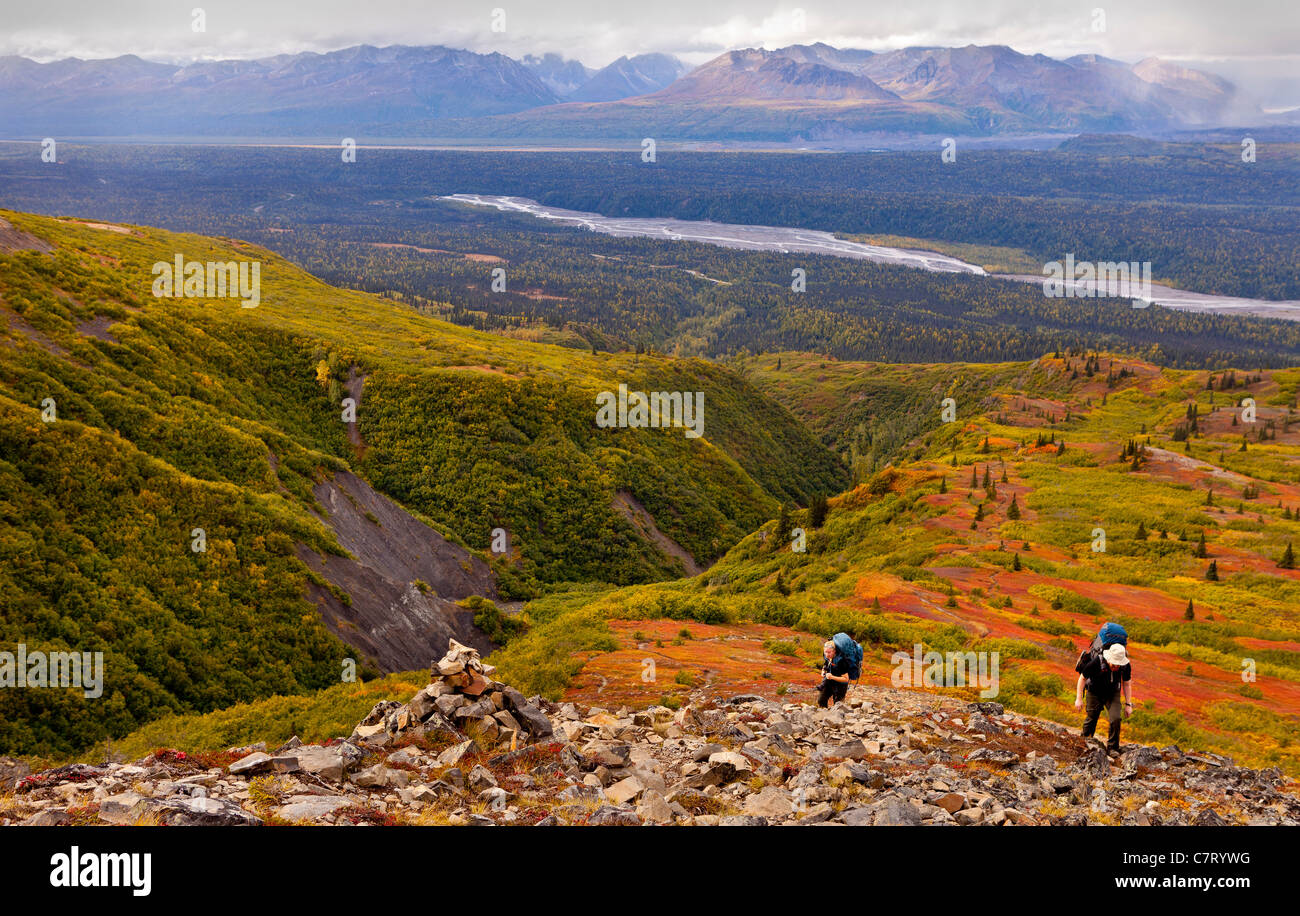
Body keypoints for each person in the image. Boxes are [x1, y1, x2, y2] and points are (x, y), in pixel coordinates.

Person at [1074, 641, 1133, 754]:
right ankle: (1085, 742)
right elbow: (1082, 678)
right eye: (1114, 664)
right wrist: (1079, 698)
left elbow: (1126, 683)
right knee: (1092, 717)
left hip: (1112, 693)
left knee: (1116, 718)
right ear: (1109, 658)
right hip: (1094, 692)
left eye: (1118, 665)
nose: (1116, 667)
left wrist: (1128, 704)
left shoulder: (1125, 666)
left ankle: (1112, 748)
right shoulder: (1097, 661)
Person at [817, 639, 853, 707]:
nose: (827, 654)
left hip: (840, 685)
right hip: (829, 682)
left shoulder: (841, 662)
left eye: (829, 652)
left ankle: (838, 717)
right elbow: (825, 665)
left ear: (835, 651)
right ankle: (824, 716)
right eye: (825, 652)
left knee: (838, 705)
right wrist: (823, 672)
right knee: (821, 700)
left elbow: (846, 679)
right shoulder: (827, 657)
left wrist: (832, 677)